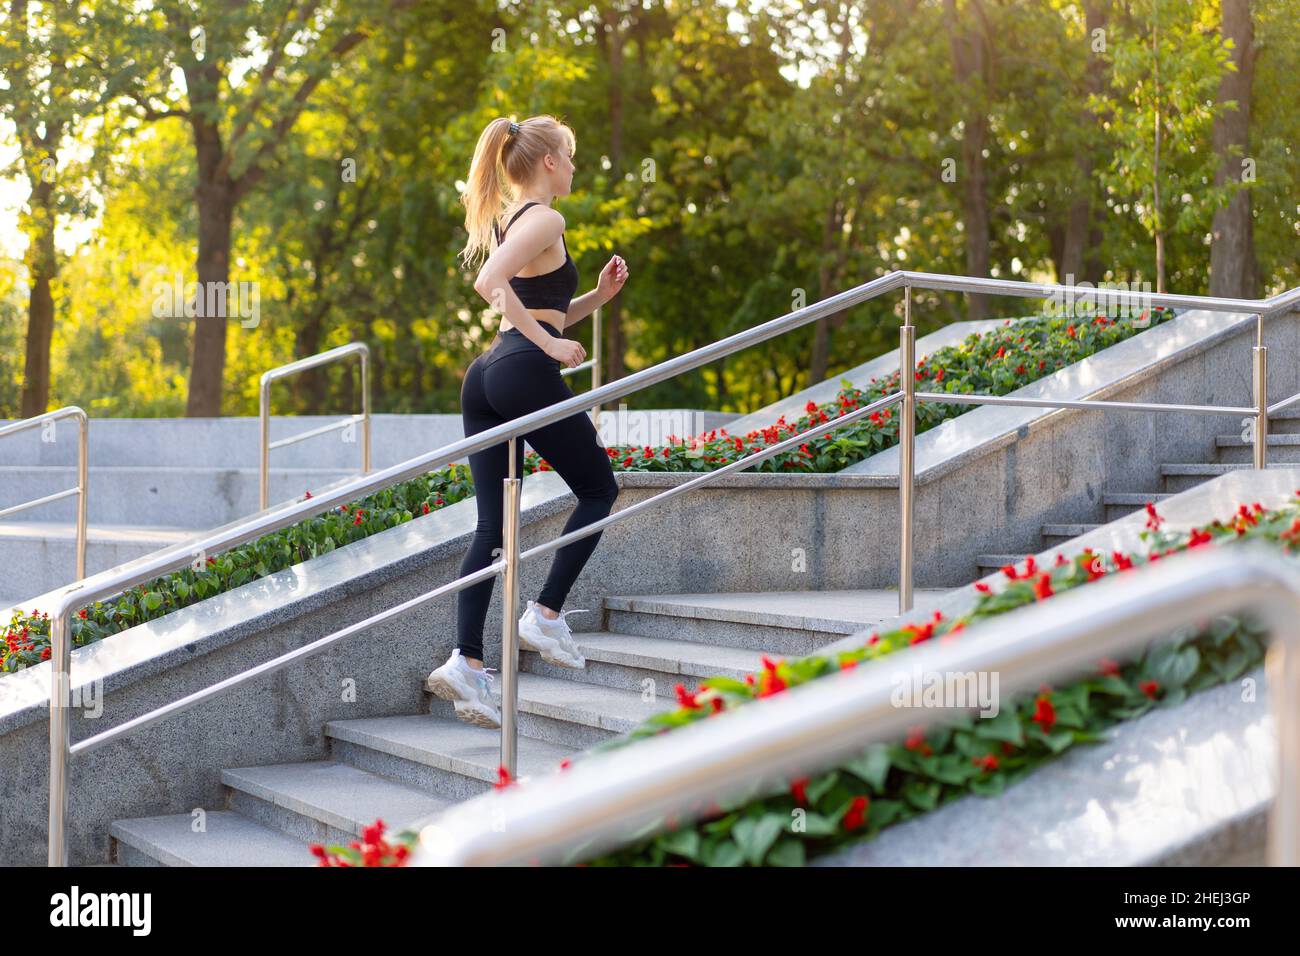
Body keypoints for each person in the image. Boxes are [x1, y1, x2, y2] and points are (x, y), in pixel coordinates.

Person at [427, 114, 629, 728]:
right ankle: (544, 615)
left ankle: (466, 660)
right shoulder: (547, 217)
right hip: (520, 364)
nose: (573, 167)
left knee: (494, 523)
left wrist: (593, 299)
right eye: (569, 156)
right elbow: (491, 284)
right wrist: (549, 345)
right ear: (547, 162)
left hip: (487, 373)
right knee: (600, 490)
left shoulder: (512, 218)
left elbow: (537, 305)